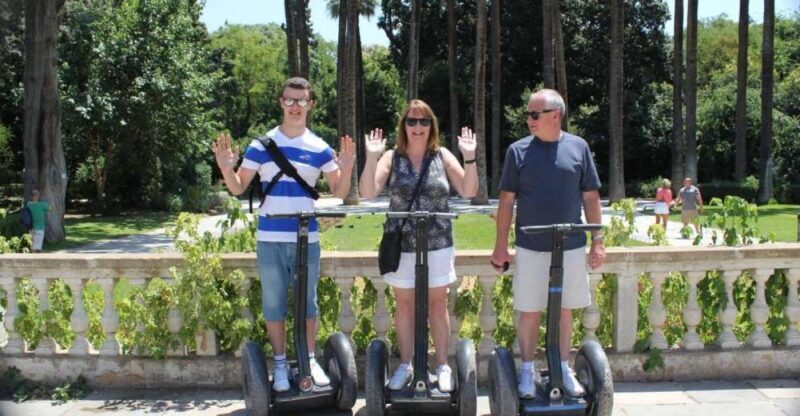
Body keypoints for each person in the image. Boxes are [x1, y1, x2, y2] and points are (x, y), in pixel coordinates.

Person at [211, 77, 355, 392]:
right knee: (274, 303)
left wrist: (347, 167)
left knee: (309, 304)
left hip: (307, 239)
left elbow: (340, 192)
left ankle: (310, 359)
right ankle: (279, 361)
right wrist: (225, 168)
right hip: (270, 238)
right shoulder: (259, 146)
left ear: (310, 104)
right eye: (289, 100)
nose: (295, 106)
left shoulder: (318, 147)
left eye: (301, 100)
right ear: (281, 103)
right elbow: (238, 188)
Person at [491, 89, 605, 399]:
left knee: (565, 310)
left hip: (570, 246)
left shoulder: (578, 147)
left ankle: (562, 366)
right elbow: (506, 201)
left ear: (555, 115)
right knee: (530, 310)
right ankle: (527, 369)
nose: (528, 119)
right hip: (530, 245)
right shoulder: (518, 151)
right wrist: (501, 246)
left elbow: (590, 195)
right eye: (528, 114)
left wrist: (598, 240)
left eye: (534, 114)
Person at [359, 99, 478, 393]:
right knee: (404, 305)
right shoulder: (392, 157)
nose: (417, 127)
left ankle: (442, 366)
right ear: (404, 126)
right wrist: (371, 157)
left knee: (438, 305)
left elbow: (469, 189)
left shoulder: (442, 155)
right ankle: (406, 365)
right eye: (411, 121)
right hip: (403, 243)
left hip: (437, 242)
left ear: (432, 126)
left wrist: (470, 158)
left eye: (424, 121)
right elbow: (367, 191)